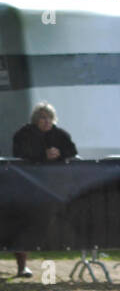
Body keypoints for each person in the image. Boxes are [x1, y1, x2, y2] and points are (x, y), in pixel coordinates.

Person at [10, 102, 77, 278]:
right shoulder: (24, 134)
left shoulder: (60, 134)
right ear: (35, 120)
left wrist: (59, 154)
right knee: (20, 225)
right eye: (42, 117)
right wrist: (42, 154)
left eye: (49, 117)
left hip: (52, 189)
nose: (46, 121)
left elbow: (72, 151)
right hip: (25, 188)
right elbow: (19, 153)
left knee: (42, 225)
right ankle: (21, 265)